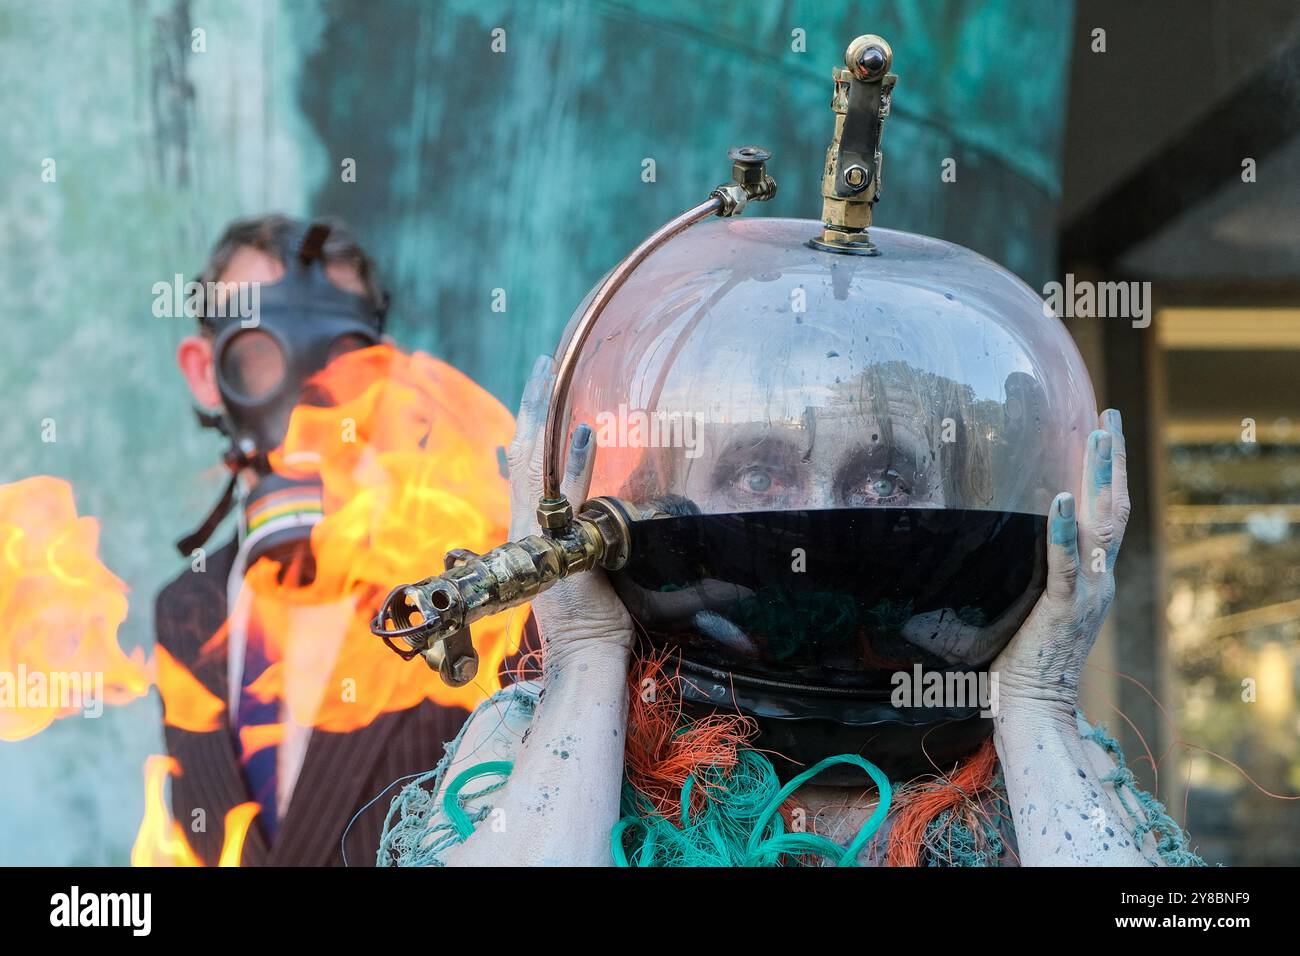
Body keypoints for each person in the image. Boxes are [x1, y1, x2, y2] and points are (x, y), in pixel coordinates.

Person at [377, 355, 1203, 867]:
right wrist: (587, 652)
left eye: (882, 483)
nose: (818, 521)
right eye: (761, 478)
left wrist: (1036, 703)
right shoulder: (526, 731)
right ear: (662, 504)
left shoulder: (1046, 756)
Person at [155, 214, 468, 866]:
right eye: (262, 356)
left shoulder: (465, 599)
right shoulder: (184, 612)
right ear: (205, 372)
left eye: (339, 364)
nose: (302, 408)